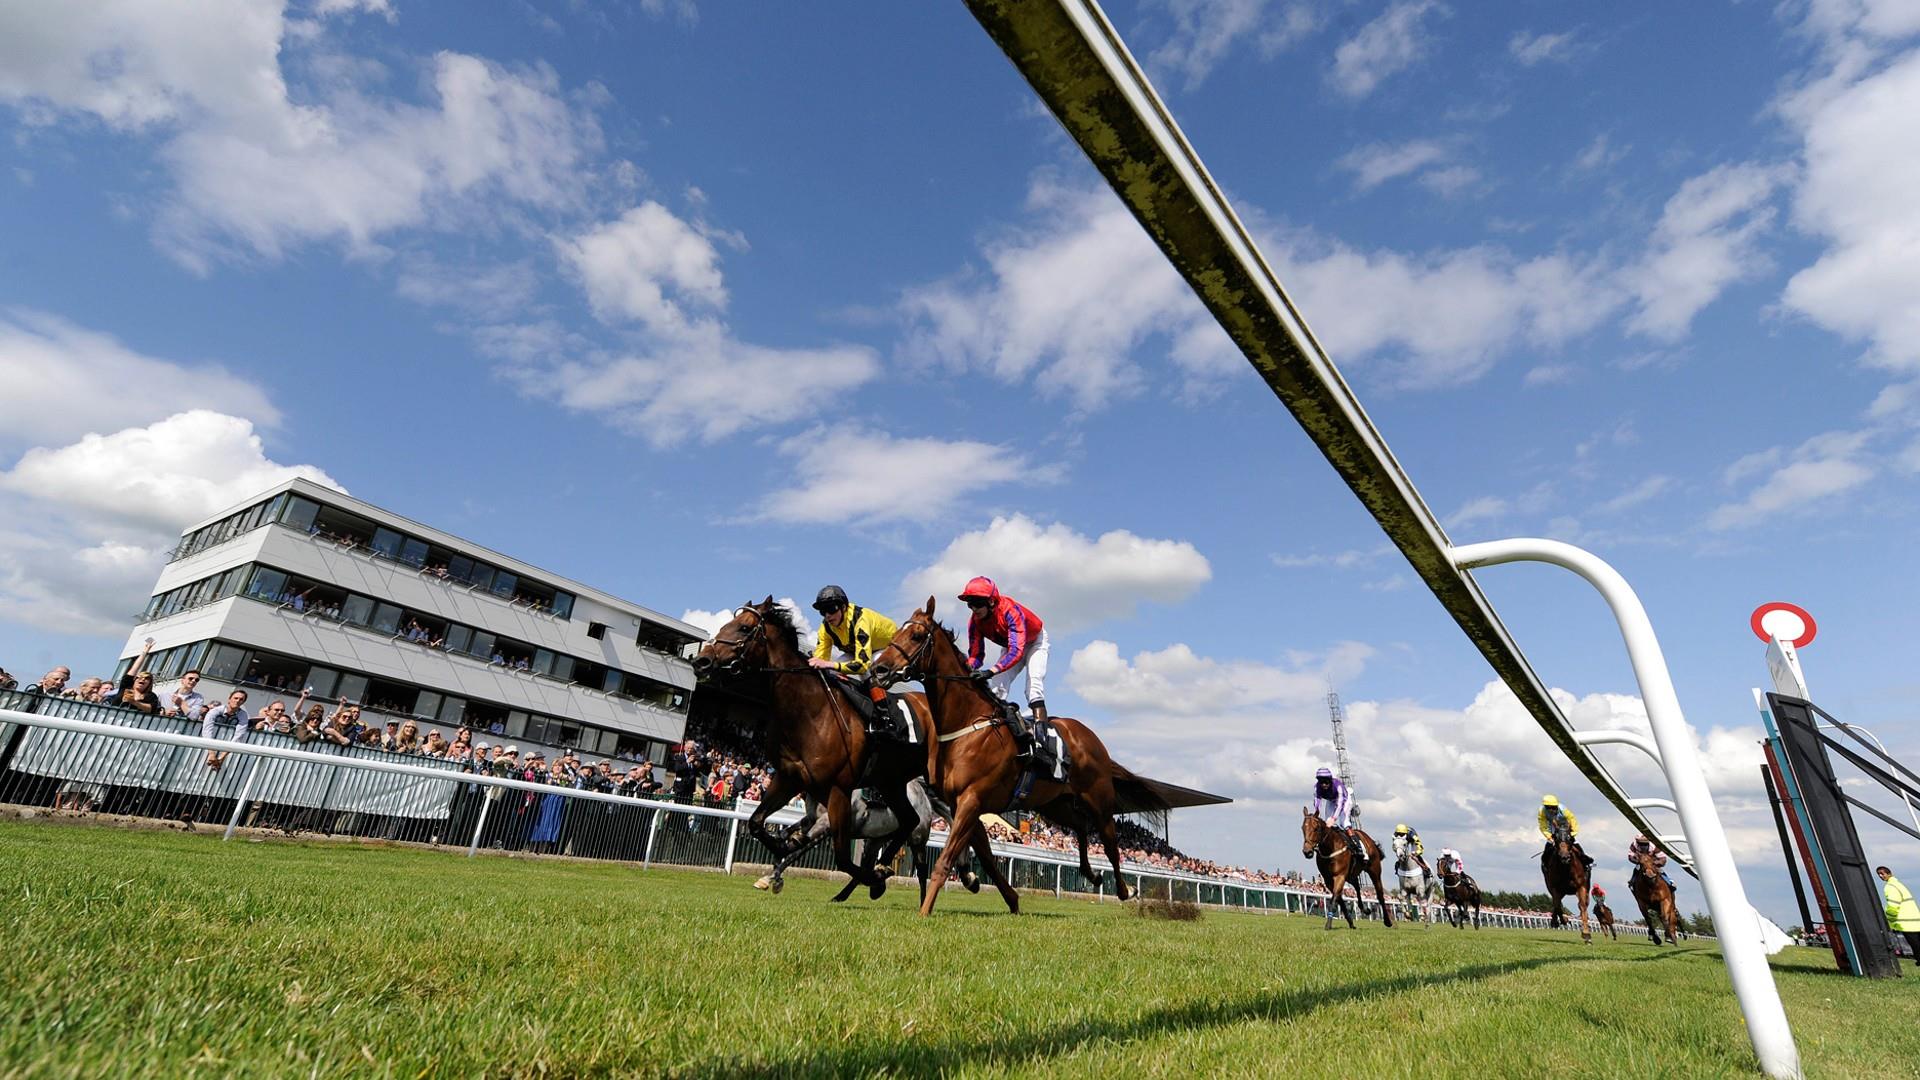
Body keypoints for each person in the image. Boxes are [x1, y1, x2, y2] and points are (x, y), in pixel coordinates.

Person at [958, 576, 1049, 756]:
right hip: (1012, 646)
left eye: (976, 603)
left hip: (1035, 643)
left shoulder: (1010, 611)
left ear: (991, 602)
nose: (973, 609)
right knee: (997, 689)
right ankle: (994, 736)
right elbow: (976, 655)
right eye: (969, 604)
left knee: (1033, 687)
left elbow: (1016, 651)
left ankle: (1042, 743)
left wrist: (991, 671)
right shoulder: (974, 622)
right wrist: (967, 671)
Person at [808, 585, 897, 679]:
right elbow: (820, 661)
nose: (827, 615)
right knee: (831, 673)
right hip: (857, 651)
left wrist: (830, 664)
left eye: (831, 609)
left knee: (867, 672)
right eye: (823, 611)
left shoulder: (861, 621)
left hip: (888, 648)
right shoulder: (826, 628)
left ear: (843, 607)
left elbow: (861, 665)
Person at [1310, 767, 1365, 859]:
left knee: (1344, 823)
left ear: (1330, 780)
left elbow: (1339, 805)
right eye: (1321, 782)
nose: (1323, 785)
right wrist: (1316, 812)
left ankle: (1359, 847)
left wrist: (1334, 818)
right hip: (1331, 801)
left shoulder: (1338, 786)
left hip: (1344, 801)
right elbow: (1317, 800)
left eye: (1326, 782)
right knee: (1327, 823)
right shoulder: (1317, 787)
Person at [1878, 866, 1920, 968]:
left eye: (1882, 873)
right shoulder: (1899, 884)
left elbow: (1893, 905)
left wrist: (1889, 918)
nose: (1880, 876)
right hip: (1915, 922)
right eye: (1879, 874)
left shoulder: (1890, 887)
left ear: (1889, 873)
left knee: (1916, 948)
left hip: (1906, 923)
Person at [1537, 795, 1594, 869]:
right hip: (1553, 828)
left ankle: (1585, 862)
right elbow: (1543, 825)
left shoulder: (1563, 810)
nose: (1551, 810)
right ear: (1545, 806)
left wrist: (1573, 833)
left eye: (1553, 807)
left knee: (1575, 843)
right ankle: (1545, 865)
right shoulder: (1542, 811)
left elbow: (1572, 820)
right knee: (1548, 847)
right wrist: (1549, 837)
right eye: (1548, 807)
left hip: (1566, 828)